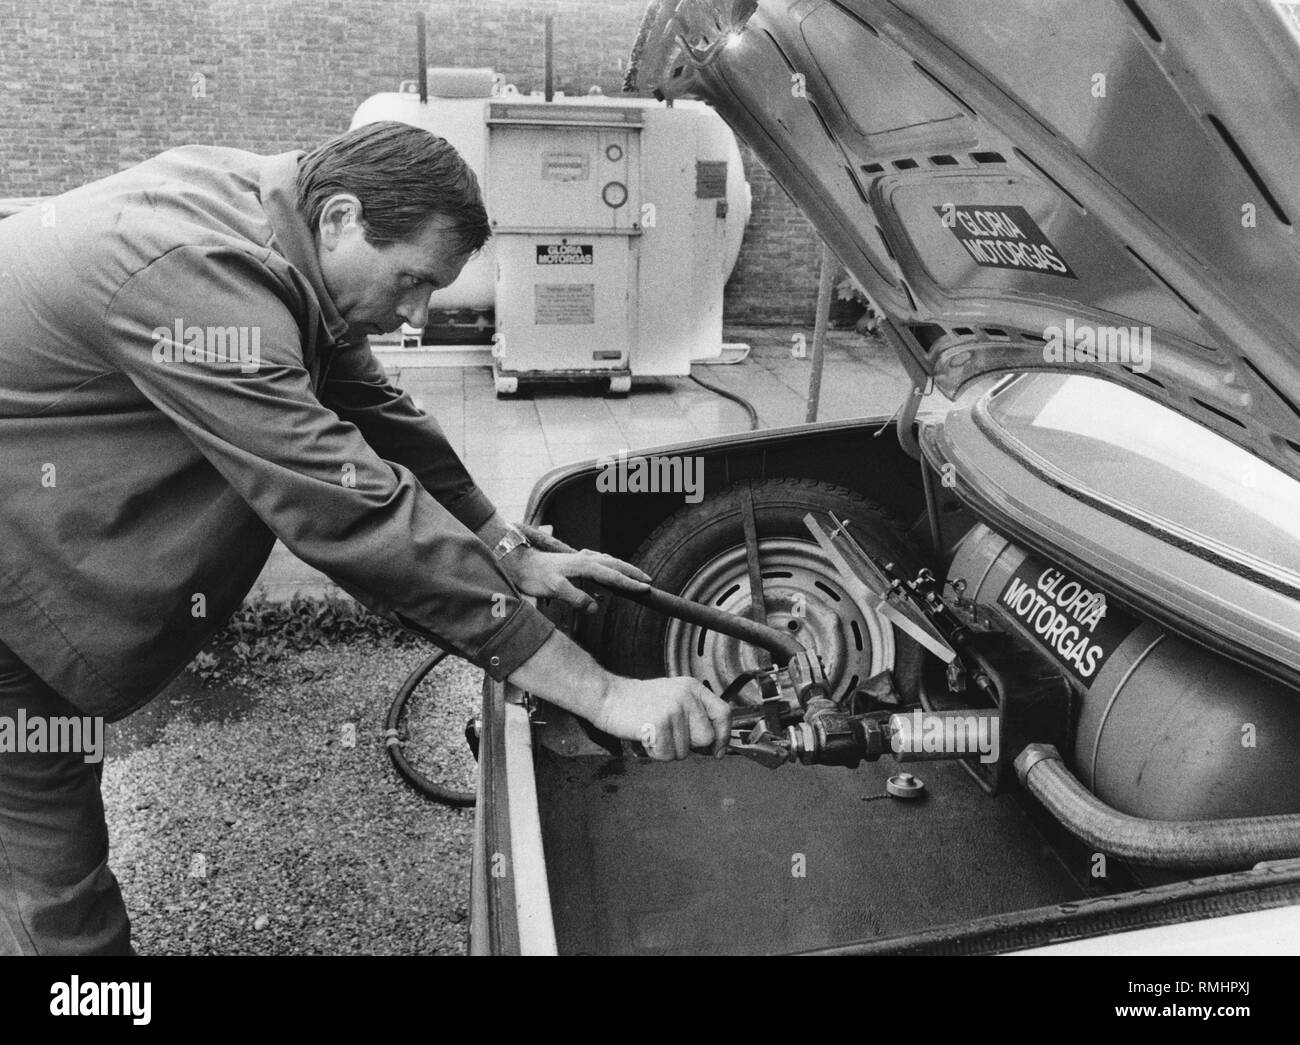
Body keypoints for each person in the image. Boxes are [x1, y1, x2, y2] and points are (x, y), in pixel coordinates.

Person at [0, 120, 730, 955]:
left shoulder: (281, 226)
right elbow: (350, 512)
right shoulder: (197, 279)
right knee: (53, 882)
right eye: (412, 281)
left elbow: (380, 419)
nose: (416, 316)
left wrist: (508, 546)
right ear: (343, 217)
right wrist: (605, 694)